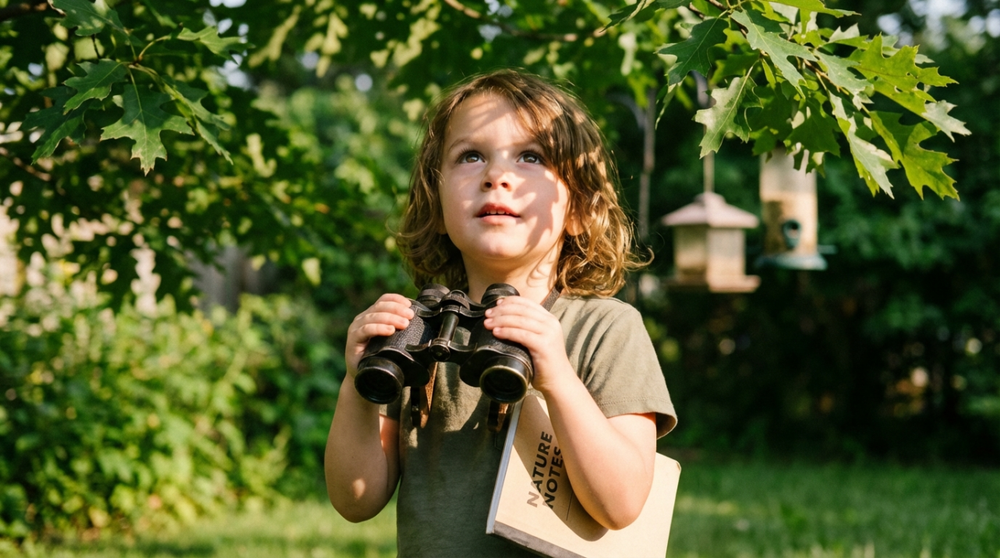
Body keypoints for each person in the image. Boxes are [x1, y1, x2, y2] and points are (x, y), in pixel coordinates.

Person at [324, 69, 676, 556]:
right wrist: (356, 384)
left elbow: (621, 503)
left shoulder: (605, 328)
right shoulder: (415, 332)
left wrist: (557, 377)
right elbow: (356, 499)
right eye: (470, 156)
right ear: (437, 200)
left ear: (577, 208)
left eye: (531, 156)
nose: (496, 175)